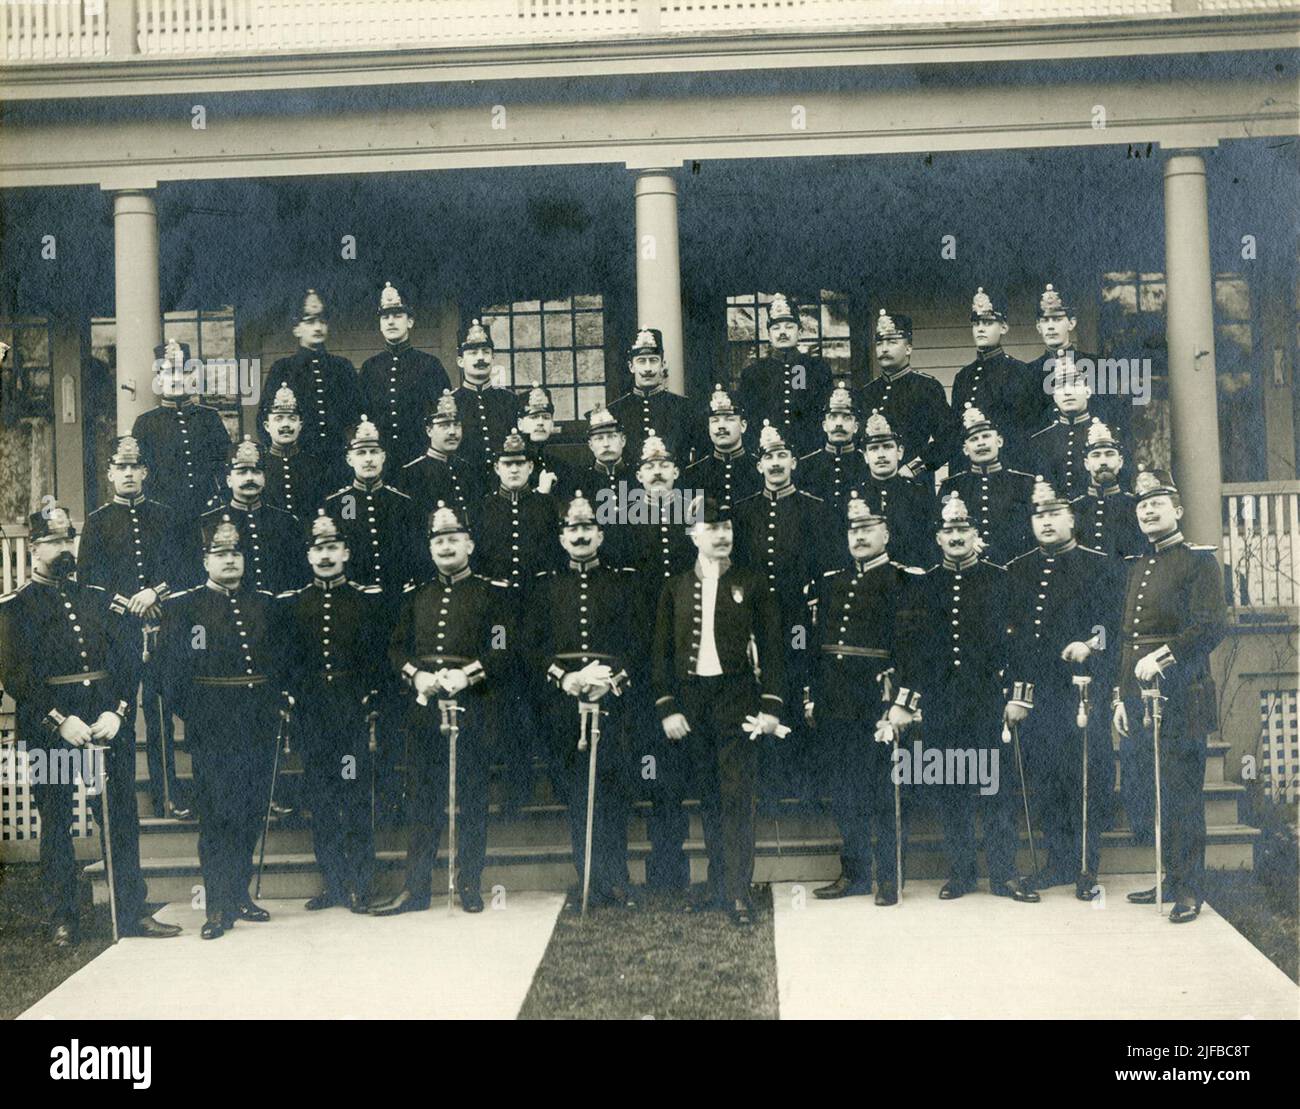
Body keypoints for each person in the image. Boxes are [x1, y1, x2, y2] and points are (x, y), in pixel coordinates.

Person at [0, 506, 181, 945]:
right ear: (35, 547)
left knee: (119, 818)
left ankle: (133, 910)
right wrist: (59, 721)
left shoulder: (100, 599)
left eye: (69, 539)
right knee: (57, 822)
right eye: (56, 541)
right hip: (52, 735)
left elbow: (125, 662)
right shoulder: (15, 608)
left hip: (105, 727)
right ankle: (62, 917)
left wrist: (117, 712)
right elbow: (17, 676)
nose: (65, 548)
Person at [652, 496, 787, 926]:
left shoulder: (753, 582)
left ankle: (737, 892)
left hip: (738, 702)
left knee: (736, 797)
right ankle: (715, 886)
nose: (722, 534)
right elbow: (661, 655)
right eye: (712, 527)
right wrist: (668, 707)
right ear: (693, 535)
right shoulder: (674, 587)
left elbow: (774, 649)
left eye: (727, 527)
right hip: (693, 704)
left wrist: (770, 706)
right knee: (709, 796)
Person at [372, 503, 510, 915]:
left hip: (474, 706)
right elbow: (397, 647)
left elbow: (502, 645)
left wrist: (468, 675)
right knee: (422, 800)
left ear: (469, 543)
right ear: (430, 549)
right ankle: (416, 889)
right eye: (438, 541)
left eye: (453, 539)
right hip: (425, 708)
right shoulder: (418, 596)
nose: (446, 546)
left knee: (472, 799)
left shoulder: (491, 593)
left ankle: (469, 884)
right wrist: (416, 676)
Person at [910, 493, 1039, 903]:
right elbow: (915, 650)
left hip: (989, 701)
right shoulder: (925, 585)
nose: (955, 535)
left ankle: (1004, 875)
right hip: (942, 704)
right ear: (937, 537)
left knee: (996, 791)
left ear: (976, 534)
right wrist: (912, 703)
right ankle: (961, 872)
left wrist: (1018, 697)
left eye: (963, 528)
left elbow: (1021, 644)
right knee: (951, 790)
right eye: (948, 529)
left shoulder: (1001, 579)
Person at [159, 515, 282, 940]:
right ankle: (216, 908)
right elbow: (170, 676)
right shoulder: (186, 608)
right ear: (205, 560)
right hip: (213, 729)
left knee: (249, 812)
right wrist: (197, 717)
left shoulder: (264, 602)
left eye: (235, 553)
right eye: (220, 553)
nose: (229, 560)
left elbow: (278, 664)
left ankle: (241, 895)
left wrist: (278, 703)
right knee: (217, 817)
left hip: (258, 725)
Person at [1113, 470, 1227, 924]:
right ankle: (1169, 875)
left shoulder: (1199, 562)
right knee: (1152, 792)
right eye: (1142, 505)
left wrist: (1164, 657)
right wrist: (1119, 698)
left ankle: (1190, 890)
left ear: (1177, 510)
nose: (1148, 510)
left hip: (1182, 697)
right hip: (1139, 700)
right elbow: (1127, 639)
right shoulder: (1138, 565)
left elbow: (1210, 627)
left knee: (1181, 794)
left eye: (1157, 503)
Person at [1004, 478, 1121, 899]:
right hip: (1040, 694)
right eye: (1039, 515)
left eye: (1055, 514)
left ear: (1072, 519)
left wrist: (1090, 643)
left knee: (1085, 776)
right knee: (1048, 780)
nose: (1046, 522)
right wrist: (1019, 693)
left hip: (1081, 691)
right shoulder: (1019, 569)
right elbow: (1012, 636)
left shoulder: (1100, 564)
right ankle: (1056, 863)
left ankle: (1087, 867)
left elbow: (1113, 626)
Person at [804, 492, 922, 906]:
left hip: (879, 698)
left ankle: (890, 876)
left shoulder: (903, 580)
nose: (859, 536)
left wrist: (903, 703)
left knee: (885, 789)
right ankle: (853, 874)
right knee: (845, 791)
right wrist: (812, 697)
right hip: (837, 698)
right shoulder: (832, 581)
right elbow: (819, 646)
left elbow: (913, 649)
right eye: (853, 530)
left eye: (868, 529)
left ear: (885, 533)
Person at [528, 491, 641, 911]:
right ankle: (588, 878)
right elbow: (531, 646)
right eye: (572, 529)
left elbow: (639, 643)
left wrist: (612, 682)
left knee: (613, 790)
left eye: (587, 528)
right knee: (578, 794)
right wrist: (567, 678)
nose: (579, 535)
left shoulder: (623, 582)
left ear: (601, 534)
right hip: (564, 706)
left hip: (614, 702)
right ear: (561, 538)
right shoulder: (545, 587)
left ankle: (617, 880)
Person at [78, 435, 189, 819]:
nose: (127, 474)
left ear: (144, 472)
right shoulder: (96, 524)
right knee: (116, 713)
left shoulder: (165, 517)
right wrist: (125, 603)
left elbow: (183, 569)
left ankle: (166, 794)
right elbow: (87, 585)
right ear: (110, 474)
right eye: (120, 468)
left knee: (159, 712)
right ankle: (119, 799)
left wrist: (154, 594)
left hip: (160, 628)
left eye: (134, 467)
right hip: (116, 635)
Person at [279, 511, 383, 914]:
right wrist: (290, 698)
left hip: (352, 717)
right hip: (313, 717)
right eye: (319, 549)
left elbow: (375, 658)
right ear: (309, 555)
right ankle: (333, 883)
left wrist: (370, 701)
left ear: (346, 552)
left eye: (332, 548)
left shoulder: (364, 601)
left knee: (354, 796)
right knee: (321, 802)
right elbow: (289, 660)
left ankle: (359, 883)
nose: (326, 556)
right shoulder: (294, 604)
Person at [257, 289, 361, 487]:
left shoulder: (342, 367)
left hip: (338, 464)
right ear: (297, 328)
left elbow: (358, 415)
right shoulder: (282, 369)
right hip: (298, 466)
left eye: (322, 321)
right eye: (310, 321)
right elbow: (264, 420)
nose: (317, 327)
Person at [322, 415, 427, 596]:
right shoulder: (340, 503)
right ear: (349, 459)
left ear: (383, 457)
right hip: (354, 597)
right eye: (361, 453)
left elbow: (416, 553)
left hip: (397, 594)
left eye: (373, 452)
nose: (368, 459)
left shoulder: (403, 503)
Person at [1026, 283, 1131, 457]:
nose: (1051, 326)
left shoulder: (1098, 366)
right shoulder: (1029, 373)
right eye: (1045, 320)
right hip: (1049, 459)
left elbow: (1114, 420)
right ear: (1038, 326)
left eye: (1058, 319)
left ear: (1072, 323)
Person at [131, 339, 230, 525]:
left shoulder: (209, 418)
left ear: (191, 377)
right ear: (159, 379)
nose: (176, 379)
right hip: (162, 517)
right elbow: (140, 473)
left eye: (182, 372)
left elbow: (225, 464)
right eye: (168, 372)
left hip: (206, 513)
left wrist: (220, 501)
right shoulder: (145, 423)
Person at [359, 281, 452, 471]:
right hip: (380, 463)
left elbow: (442, 416)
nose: (391, 322)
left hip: (420, 458)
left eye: (397, 316)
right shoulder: (370, 367)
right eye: (385, 317)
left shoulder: (430, 365)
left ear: (410, 321)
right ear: (380, 325)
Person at [198, 436, 305, 595]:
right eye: (241, 472)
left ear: (264, 478)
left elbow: (299, 572)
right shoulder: (208, 522)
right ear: (228, 480)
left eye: (256, 472)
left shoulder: (286, 521)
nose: (250, 478)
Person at [947, 287, 1039, 472]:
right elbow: (957, 437)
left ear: (1003, 327)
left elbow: (1026, 433)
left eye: (988, 322)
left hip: (1008, 473)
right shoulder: (963, 377)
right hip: (969, 475)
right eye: (976, 323)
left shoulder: (1019, 372)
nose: (980, 328)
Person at [736, 293, 835, 457]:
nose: (783, 332)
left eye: (789, 327)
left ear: (800, 332)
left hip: (809, 455)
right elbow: (748, 421)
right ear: (769, 335)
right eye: (776, 328)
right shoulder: (753, 374)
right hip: (769, 455)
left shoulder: (817, 369)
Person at [938, 403, 1036, 567]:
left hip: (1013, 568)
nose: (981, 443)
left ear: (999, 441)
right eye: (974, 439)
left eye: (986, 437)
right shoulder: (951, 487)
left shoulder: (1024, 484)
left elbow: (1032, 532)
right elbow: (937, 528)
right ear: (965, 449)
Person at [858, 308, 950, 480]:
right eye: (879, 343)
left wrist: (915, 467)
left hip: (914, 487)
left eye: (892, 342)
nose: (884, 349)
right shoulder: (866, 393)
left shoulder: (927, 387)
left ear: (908, 348)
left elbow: (949, 437)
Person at [857, 409, 935, 570]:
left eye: (887, 447)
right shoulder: (854, 498)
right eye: (873, 448)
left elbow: (930, 547)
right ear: (865, 455)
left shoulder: (920, 495)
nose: (881, 454)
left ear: (900, 452)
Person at [606, 327, 697, 464]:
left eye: (653, 360)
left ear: (663, 365)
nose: (647, 368)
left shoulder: (685, 407)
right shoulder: (614, 411)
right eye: (641, 361)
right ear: (631, 367)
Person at [396, 389, 485, 523]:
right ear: (429, 430)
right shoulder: (412, 474)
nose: (452, 432)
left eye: (457, 425)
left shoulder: (469, 470)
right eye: (444, 426)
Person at [452, 318, 522, 481]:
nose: (480, 358)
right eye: (473, 353)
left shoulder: (509, 401)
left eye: (485, 352)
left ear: (493, 357)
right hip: (465, 483)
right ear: (460, 361)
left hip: (504, 483)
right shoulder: (452, 403)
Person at [1071, 417, 1144, 559]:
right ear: (1087, 464)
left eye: (1110, 454)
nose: (1103, 461)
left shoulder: (1136, 506)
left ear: (1120, 461)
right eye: (1096, 455)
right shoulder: (1074, 509)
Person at [683, 384, 760, 515]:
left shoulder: (760, 470)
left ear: (743, 426)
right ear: (708, 427)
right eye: (714, 421)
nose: (721, 427)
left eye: (729, 419)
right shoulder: (693, 473)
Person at [1029, 353, 1097, 501]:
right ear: (1054, 396)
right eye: (1060, 386)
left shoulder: (1107, 434)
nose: (1067, 392)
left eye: (1074, 384)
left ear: (1088, 391)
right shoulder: (1039, 441)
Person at [797, 382, 870, 515]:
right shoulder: (805, 466)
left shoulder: (867, 464)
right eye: (833, 417)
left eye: (847, 418)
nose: (839, 424)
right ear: (824, 425)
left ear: (856, 427)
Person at [261, 381, 328, 521]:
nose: (286, 425)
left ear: (300, 425)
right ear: (267, 426)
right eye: (278, 419)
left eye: (292, 419)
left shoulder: (317, 466)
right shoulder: (259, 466)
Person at [519, 383, 580, 499]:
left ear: (552, 425)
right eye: (534, 417)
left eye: (546, 417)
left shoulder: (562, 467)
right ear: (520, 424)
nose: (541, 422)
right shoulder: (512, 466)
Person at [575, 405, 633, 501]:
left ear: (623, 441)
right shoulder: (579, 479)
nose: (606, 444)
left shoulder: (637, 475)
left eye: (611, 436)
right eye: (599, 438)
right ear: (591, 445)